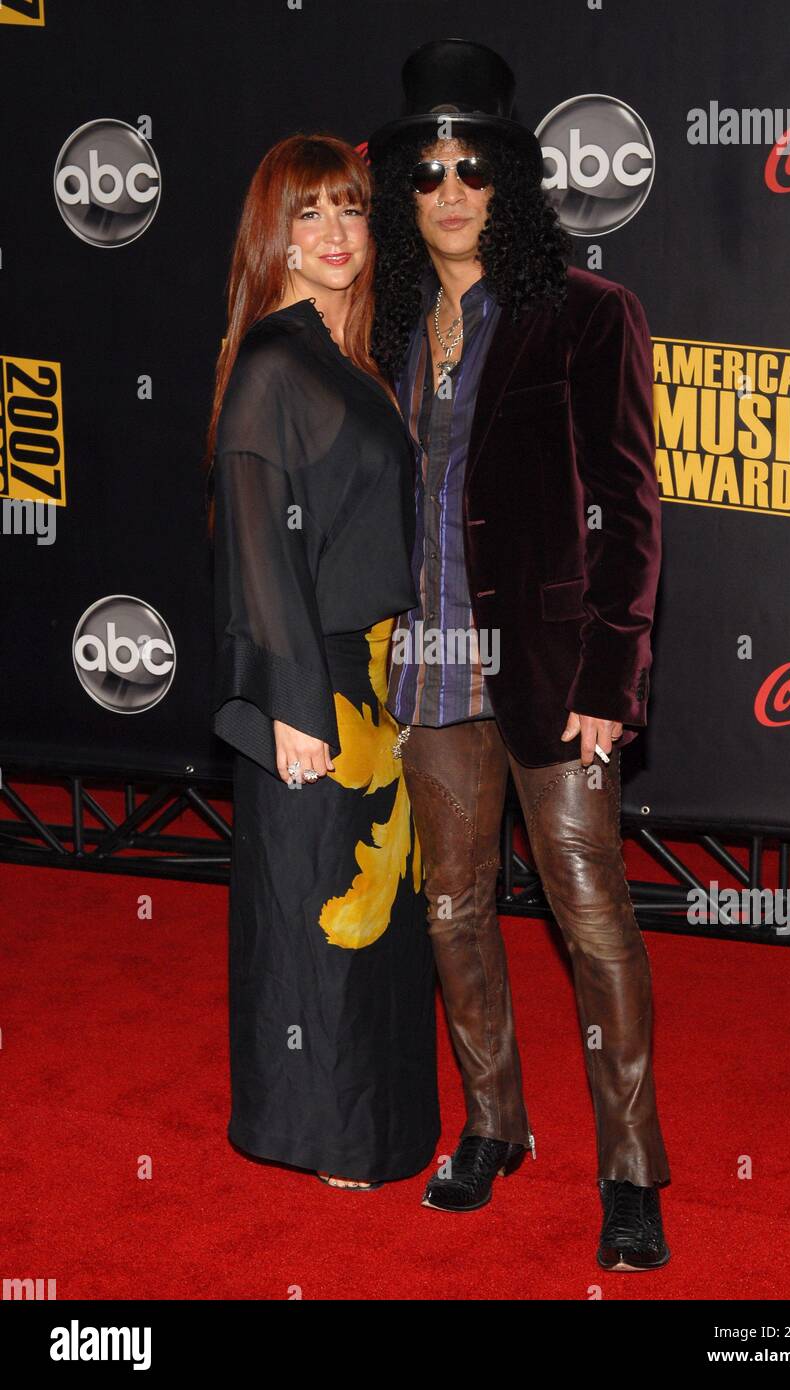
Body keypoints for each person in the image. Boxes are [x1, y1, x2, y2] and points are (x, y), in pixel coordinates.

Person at [368, 39, 671, 1268]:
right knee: (451, 907)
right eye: (427, 170)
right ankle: (494, 1122)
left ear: (509, 181)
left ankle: (632, 1166)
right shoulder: (383, 325)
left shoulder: (586, 317)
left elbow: (633, 508)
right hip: (430, 667)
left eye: (472, 165)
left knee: (588, 912)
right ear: (407, 193)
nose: (448, 188)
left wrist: (613, 675)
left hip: (549, 668)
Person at [207, 133, 439, 1190]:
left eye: (348, 209)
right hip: (318, 688)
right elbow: (257, 541)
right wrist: (290, 706)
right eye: (308, 215)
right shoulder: (272, 361)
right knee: (320, 906)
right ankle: (324, 1132)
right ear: (276, 235)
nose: (335, 233)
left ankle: (378, 1121)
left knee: (377, 907)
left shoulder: (349, 360)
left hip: (375, 678)